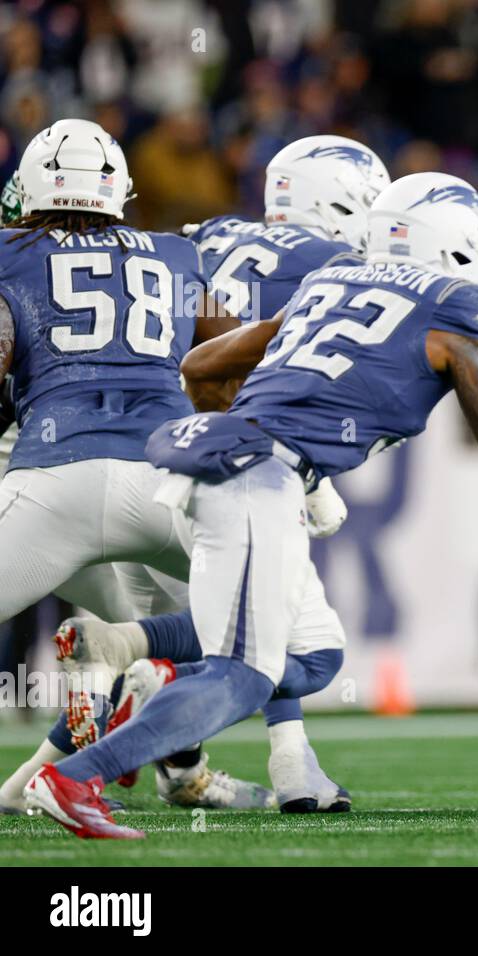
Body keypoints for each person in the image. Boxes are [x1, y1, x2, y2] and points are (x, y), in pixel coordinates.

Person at [25, 172, 478, 839]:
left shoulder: (329, 282)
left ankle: (132, 650)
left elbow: (201, 366)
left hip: (230, 464)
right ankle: (74, 778)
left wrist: (239, 424)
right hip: (259, 474)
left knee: (314, 653)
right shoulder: (454, 307)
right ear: (451, 244)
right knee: (244, 675)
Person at [50, 135, 393, 813]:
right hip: (224, 467)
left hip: (130, 455)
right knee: (294, 645)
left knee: (235, 633)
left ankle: (58, 776)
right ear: (344, 203)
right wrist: (314, 480)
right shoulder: (333, 266)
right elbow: (285, 385)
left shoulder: (198, 236)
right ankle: (269, 757)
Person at [0, 120, 268, 813]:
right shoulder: (175, 254)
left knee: (150, 620)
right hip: (162, 481)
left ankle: (128, 731)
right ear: (118, 188)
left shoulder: (8, 251)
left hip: (51, 480)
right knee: (266, 618)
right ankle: (162, 724)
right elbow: (234, 354)